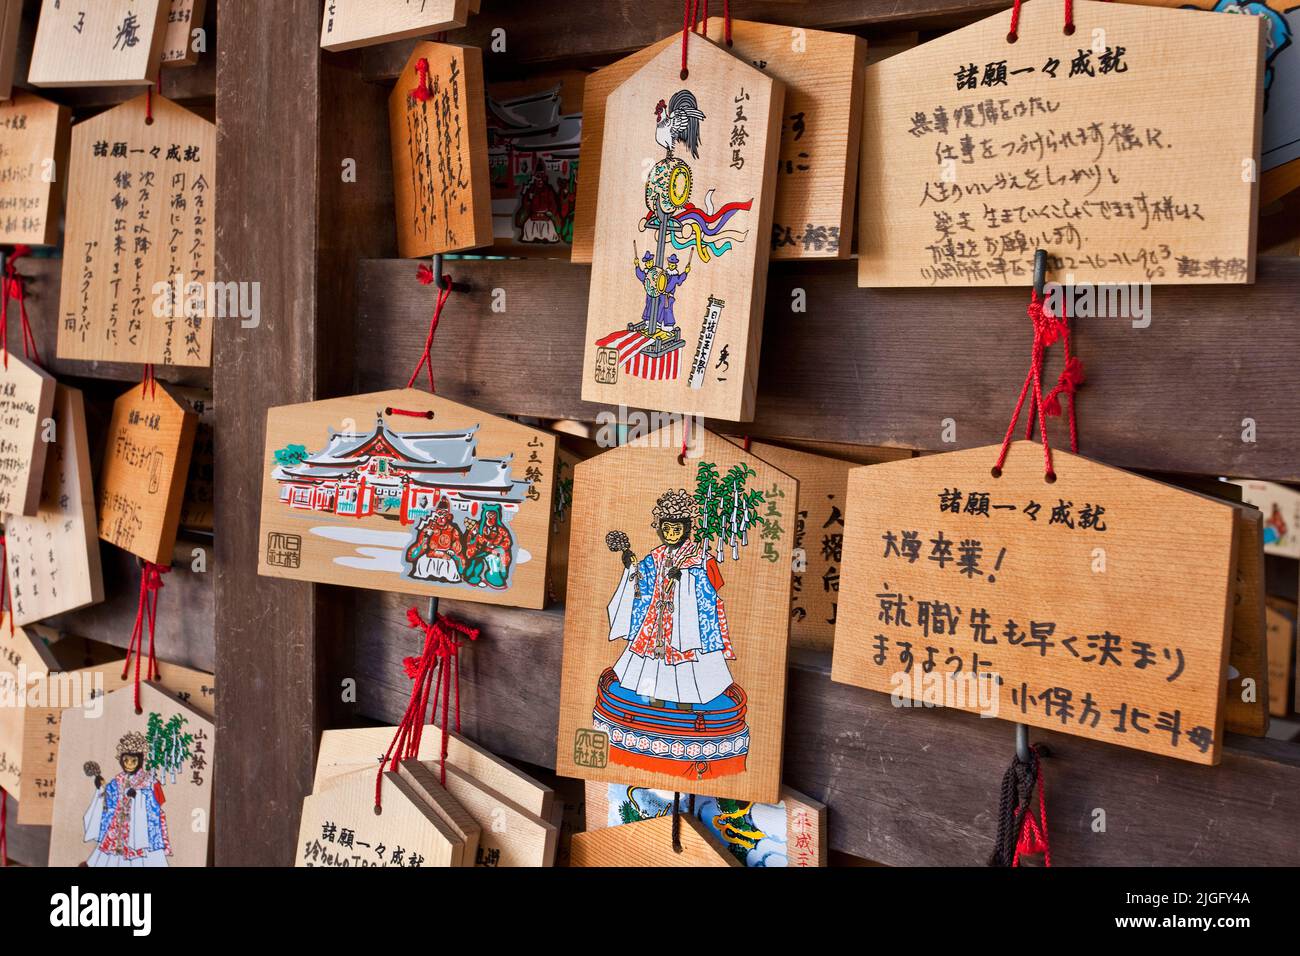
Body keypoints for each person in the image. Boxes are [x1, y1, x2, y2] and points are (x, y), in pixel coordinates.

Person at [606, 489, 735, 708]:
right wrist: (631, 566)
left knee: (688, 674)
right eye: (667, 528)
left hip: (686, 626)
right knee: (654, 674)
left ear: (686, 528)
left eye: (677, 529)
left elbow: (712, 588)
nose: (672, 534)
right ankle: (655, 705)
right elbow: (642, 584)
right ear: (659, 527)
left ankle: (686, 707)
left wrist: (686, 578)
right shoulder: (656, 556)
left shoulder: (698, 556)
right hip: (656, 624)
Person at [83, 732, 171, 867]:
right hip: (118, 824)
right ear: (121, 760)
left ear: (140, 760)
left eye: (133, 761)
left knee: (140, 850)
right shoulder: (118, 780)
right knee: (111, 849)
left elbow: (156, 803)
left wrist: (139, 795)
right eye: (126, 760)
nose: (129, 764)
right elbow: (110, 799)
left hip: (138, 825)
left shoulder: (148, 780)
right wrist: (102, 788)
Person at [406, 499, 464, 584]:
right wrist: (426, 537)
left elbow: (457, 544)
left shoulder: (452, 530)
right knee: (422, 561)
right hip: (430, 554)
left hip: (446, 555)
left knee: (451, 564)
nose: (441, 517)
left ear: (448, 516)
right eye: (439, 514)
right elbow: (421, 544)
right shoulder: (430, 528)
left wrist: (453, 551)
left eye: (444, 514)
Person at [461, 503, 514, 589]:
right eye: (489, 515)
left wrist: (498, 547)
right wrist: (475, 537)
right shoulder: (478, 528)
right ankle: (472, 577)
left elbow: (507, 541)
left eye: (493, 516)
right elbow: (471, 540)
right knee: (476, 561)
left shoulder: (501, 530)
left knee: (494, 560)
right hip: (480, 551)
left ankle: (494, 578)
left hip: (494, 552)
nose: (490, 518)